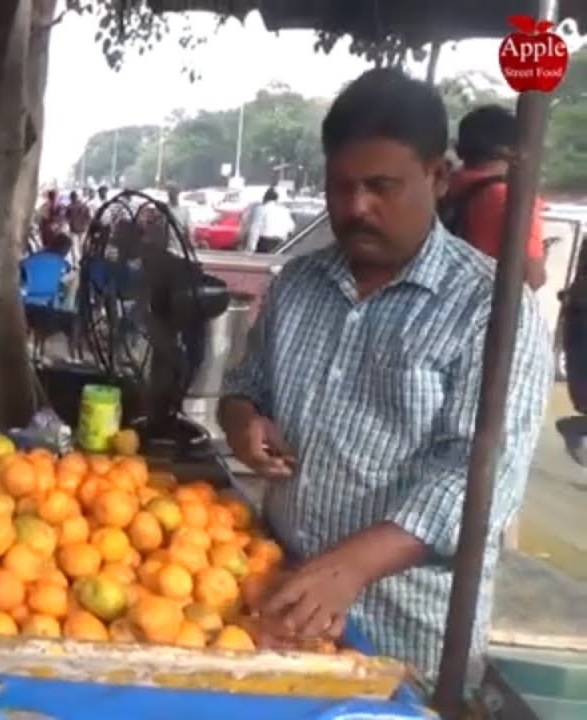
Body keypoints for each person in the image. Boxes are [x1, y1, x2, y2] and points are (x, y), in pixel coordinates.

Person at [218, 68, 552, 688]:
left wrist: (355, 565)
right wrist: (243, 423)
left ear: (438, 176)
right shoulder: (297, 286)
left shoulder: (489, 308)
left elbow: (479, 480)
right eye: (339, 187)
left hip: (407, 638)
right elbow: (248, 384)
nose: (356, 208)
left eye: (381, 186)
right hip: (277, 603)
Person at [442, 105, 547, 289]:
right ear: (513, 151)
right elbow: (533, 278)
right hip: (485, 304)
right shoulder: (514, 200)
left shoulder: (443, 184)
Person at [246, 187, 295, 253]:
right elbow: (291, 227)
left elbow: (255, 228)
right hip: (280, 241)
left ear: (265, 198)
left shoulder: (261, 209)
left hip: (265, 242)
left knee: (262, 261)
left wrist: (251, 246)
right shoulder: (284, 210)